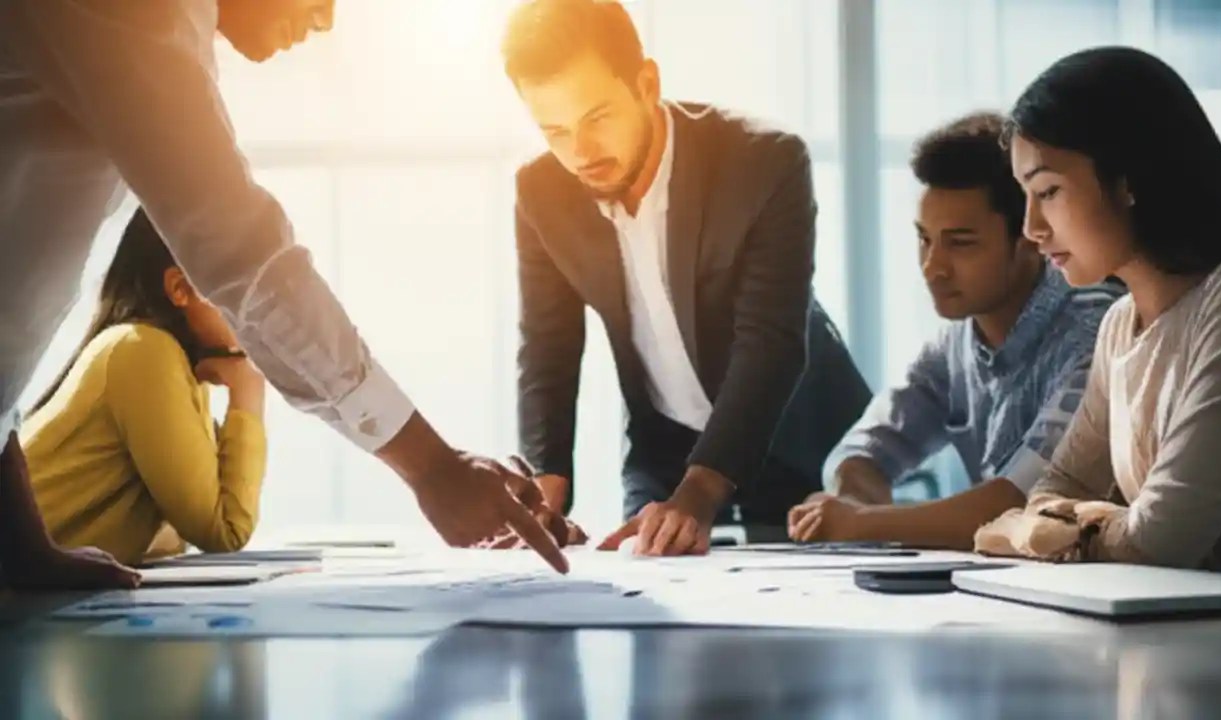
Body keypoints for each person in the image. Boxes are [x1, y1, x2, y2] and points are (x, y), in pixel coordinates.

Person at [0, 0, 564, 592]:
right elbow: (245, 258)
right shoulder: (139, 13)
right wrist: (432, 465)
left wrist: (24, 548)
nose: (326, 21)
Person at [502, 0, 871, 556]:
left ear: (647, 85)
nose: (580, 152)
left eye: (597, 118)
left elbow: (769, 343)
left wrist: (699, 494)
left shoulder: (762, 162)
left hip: (800, 446)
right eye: (555, 130)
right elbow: (547, 348)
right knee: (647, 585)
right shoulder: (541, 192)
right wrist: (544, 498)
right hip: (664, 455)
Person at [974, 47, 1221, 578]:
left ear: (1128, 180)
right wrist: (1081, 523)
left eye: (1048, 191)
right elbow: (1054, 490)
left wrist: (1065, 530)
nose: (1031, 228)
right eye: (1026, 195)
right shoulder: (1120, 325)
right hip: (1180, 624)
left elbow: (1162, 540)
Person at [788, 112, 1120, 549]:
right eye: (925, 240)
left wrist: (863, 523)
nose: (933, 268)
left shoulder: (1094, 329)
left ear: (1029, 239)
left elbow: (1023, 504)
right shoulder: (956, 342)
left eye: (960, 243)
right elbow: (861, 450)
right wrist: (852, 499)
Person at [23, 210, 267, 566]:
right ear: (180, 289)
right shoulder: (144, 350)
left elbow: (178, 535)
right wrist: (248, 394)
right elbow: (225, 531)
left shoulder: (165, 359)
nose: (255, 315)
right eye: (240, 293)